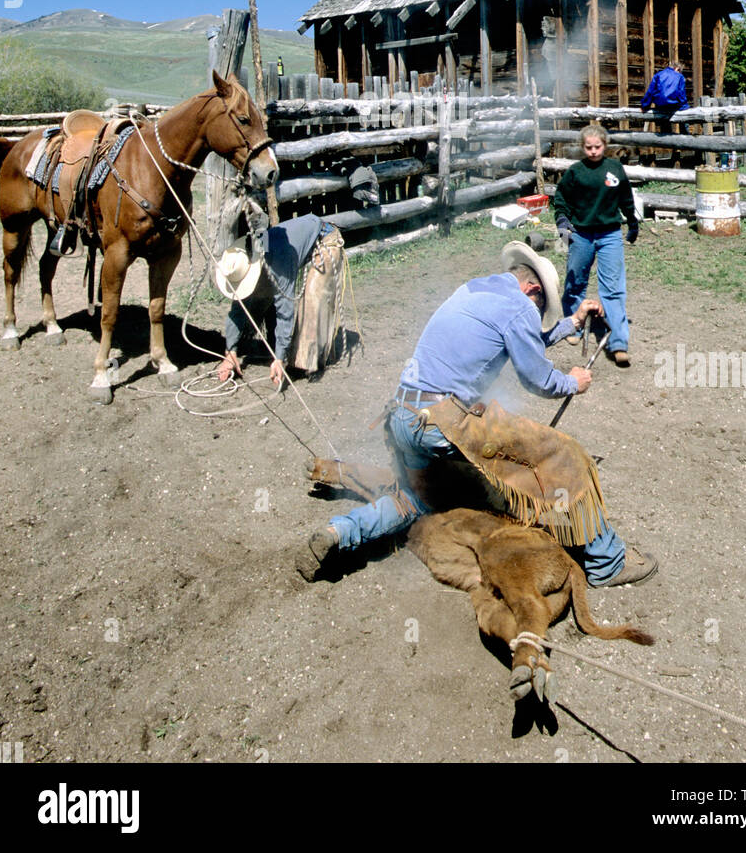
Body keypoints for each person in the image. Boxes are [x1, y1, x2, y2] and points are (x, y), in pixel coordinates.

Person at [297, 242, 657, 588]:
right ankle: (607, 561)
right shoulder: (518, 308)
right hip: (440, 421)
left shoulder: (475, 291)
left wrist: (572, 324)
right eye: (539, 305)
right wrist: (571, 382)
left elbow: (524, 338)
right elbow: (537, 377)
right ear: (532, 288)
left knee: (416, 498)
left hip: (404, 415)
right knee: (564, 455)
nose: (536, 312)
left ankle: (339, 531)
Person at [216, 214, 337, 385]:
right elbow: (237, 310)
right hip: (282, 251)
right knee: (257, 299)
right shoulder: (246, 255)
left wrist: (279, 359)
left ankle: (308, 362)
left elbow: (285, 310)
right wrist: (230, 351)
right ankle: (273, 346)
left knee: (312, 300)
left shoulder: (279, 263)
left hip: (325, 236)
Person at [554, 124, 637, 369]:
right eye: (588, 147)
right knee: (575, 281)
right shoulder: (575, 172)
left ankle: (619, 342)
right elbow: (561, 199)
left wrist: (632, 222)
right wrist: (561, 220)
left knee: (612, 287)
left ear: (605, 146)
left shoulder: (614, 169)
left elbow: (626, 197)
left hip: (610, 233)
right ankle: (573, 326)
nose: (593, 151)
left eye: (597, 147)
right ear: (582, 147)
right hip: (581, 234)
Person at [641, 61, 688, 132]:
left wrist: (645, 106)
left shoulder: (658, 75)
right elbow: (681, 93)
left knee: (665, 127)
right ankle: (685, 138)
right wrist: (685, 107)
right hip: (674, 105)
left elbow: (650, 92)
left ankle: (666, 139)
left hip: (660, 105)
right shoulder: (680, 77)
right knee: (684, 122)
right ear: (677, 69)